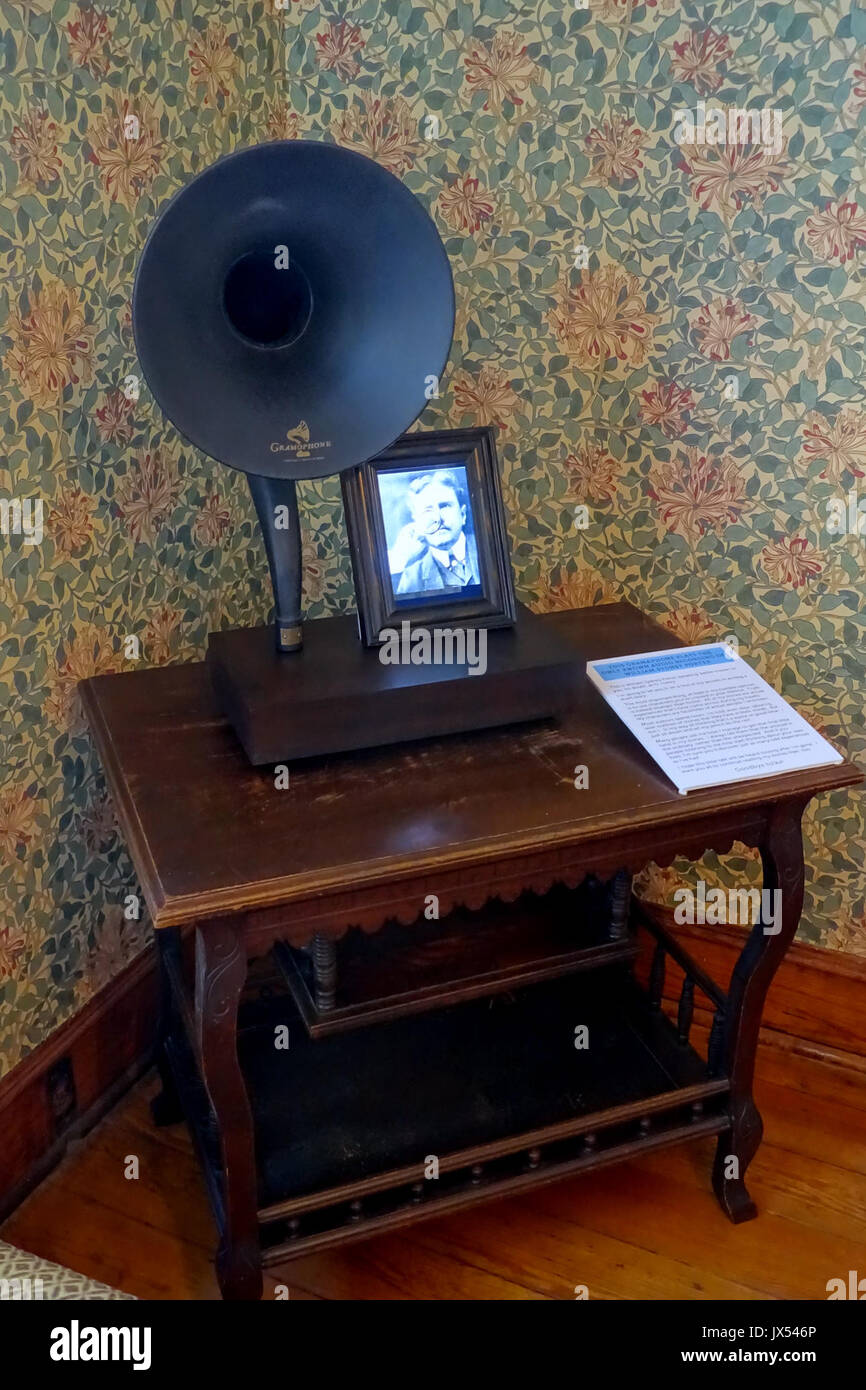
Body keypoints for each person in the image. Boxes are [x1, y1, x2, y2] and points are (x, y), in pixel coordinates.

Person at [393, 470, 480, 595]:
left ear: (463, 514)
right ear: (418, 523)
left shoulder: (489, 549)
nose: (437, 519)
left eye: (444, 506)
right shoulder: (411, 578)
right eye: (427, 511)